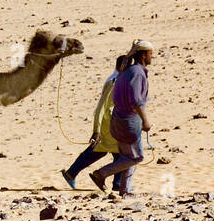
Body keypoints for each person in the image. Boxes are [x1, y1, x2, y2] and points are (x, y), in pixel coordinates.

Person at [90, 40, 154, 196]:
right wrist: (145, 120)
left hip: (118, 120)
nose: (153, 57)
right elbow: (135, 100)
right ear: (144, 55)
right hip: (128, 121)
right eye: (151, 54)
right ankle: (102, 173)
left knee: (128, 156)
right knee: (136, 157)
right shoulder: (137, 73)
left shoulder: (127, 71)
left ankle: (125, 190)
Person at [61, 54, 128, 189]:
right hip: (109, 123)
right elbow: (101, 107)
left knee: (108, 150)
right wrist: (96, 130)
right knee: (119, 151)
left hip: (113, 122)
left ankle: (72, 173)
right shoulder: (114, 82)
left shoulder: (118, 80)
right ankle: (117, 183)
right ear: (122, 66)